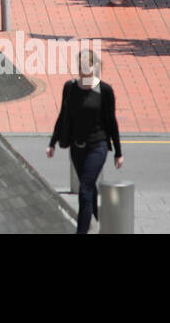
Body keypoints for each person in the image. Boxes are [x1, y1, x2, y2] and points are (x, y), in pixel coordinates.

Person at [47, 48, 123, 234]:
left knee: (84, 191)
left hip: (98, 146)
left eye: (87, 65)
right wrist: (52, 142)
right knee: (88, 190)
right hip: (77, 148)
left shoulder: (104, 90)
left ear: (95, 66)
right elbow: (63, 115)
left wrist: (119, 153)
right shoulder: (70, 87)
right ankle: (103, 223)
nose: (83, 69)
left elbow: (111, 122)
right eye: (80, 65)